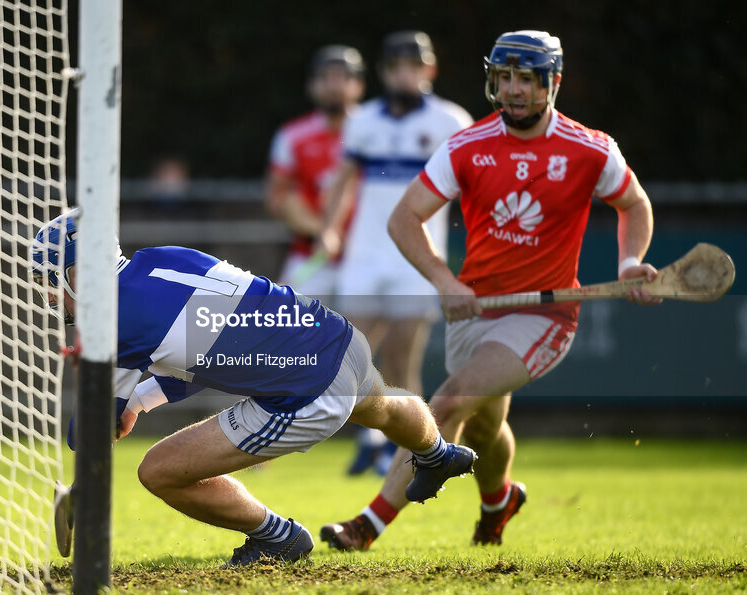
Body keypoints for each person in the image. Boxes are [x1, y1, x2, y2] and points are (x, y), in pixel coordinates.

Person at [319, 30, 659, 551]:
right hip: (474, 309)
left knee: (451, 400)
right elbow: (404, 218)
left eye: (526, 78)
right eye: (505, 77)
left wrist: (631, 261)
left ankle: (369, 524)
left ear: (553, 83)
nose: (514, 89)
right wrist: (445, 281)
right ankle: (500, 500)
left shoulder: (589, 149)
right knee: (483, 429)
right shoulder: (467, 147)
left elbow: (633, 203)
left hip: (544, 316)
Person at [30, 212, 477, 566]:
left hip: (307, 395)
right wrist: (140, 400)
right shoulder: (165, 257)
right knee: (382, 407)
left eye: (51, 281)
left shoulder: (111, 321)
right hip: (337, 338)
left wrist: (96, 433)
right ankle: (438, 454)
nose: (49, 297)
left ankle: (280, 538)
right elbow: (199, 352)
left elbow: (89, 429)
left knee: (158, 470)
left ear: (80, 272)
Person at [317, 31, 473, 475]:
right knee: (351, 353)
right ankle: (370, 440)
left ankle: (404, 449)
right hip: (365, 257)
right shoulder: (363, 120)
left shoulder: (451, 120)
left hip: (416, 257)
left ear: (430, 70)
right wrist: (329, 230)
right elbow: (344, 179)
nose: (406, 74)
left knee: (403, 356)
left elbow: (471, 190)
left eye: (415, 65)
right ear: (384, 72)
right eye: (397, 66)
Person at [266, 44, 365, 299]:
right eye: (325, 78)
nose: (334, 86)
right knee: (286, 327)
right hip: (310, 257)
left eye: (342, 77)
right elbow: (278, 198)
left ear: (359, 85)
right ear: (312, 85)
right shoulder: (292, 136)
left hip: (366, 259)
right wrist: (322, 232)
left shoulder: (375, 132)